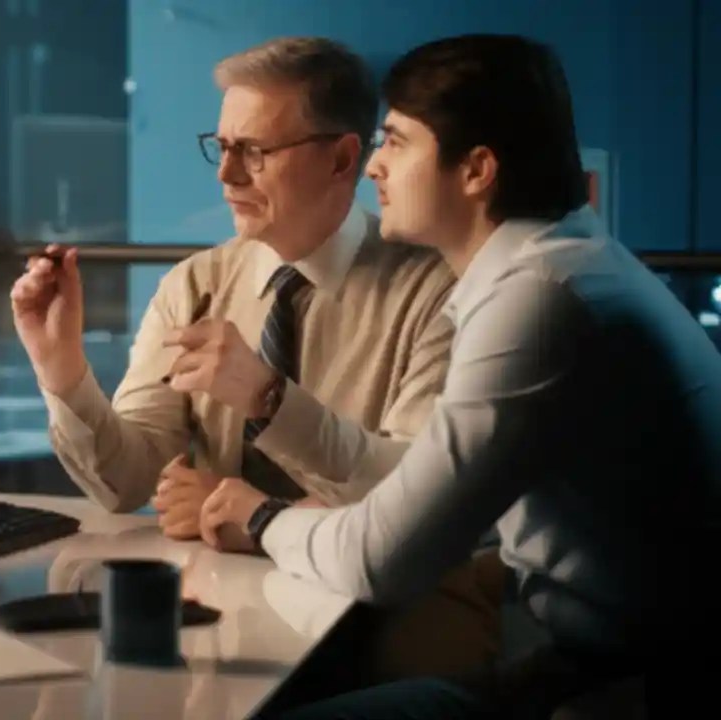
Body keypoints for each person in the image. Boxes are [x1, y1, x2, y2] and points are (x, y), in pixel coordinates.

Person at [196, 33, 721, 718]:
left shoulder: (539, 303)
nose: (374, 167)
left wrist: (259, 516)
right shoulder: (571, 262)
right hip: (586, 662)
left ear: (476, 170)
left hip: (621, 690)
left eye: (395, 142)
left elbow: (381, 562)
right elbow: (436, 494)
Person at [11, 37, 503, 681]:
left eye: (256, 152)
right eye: (222, 146)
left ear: (343, 159)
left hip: (398, 634)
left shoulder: (437, 290)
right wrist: (62, 370)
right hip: (232, 622)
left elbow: (414, 504)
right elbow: (127, 482)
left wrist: (259, 459)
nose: (226, 174)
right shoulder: (193, 285)